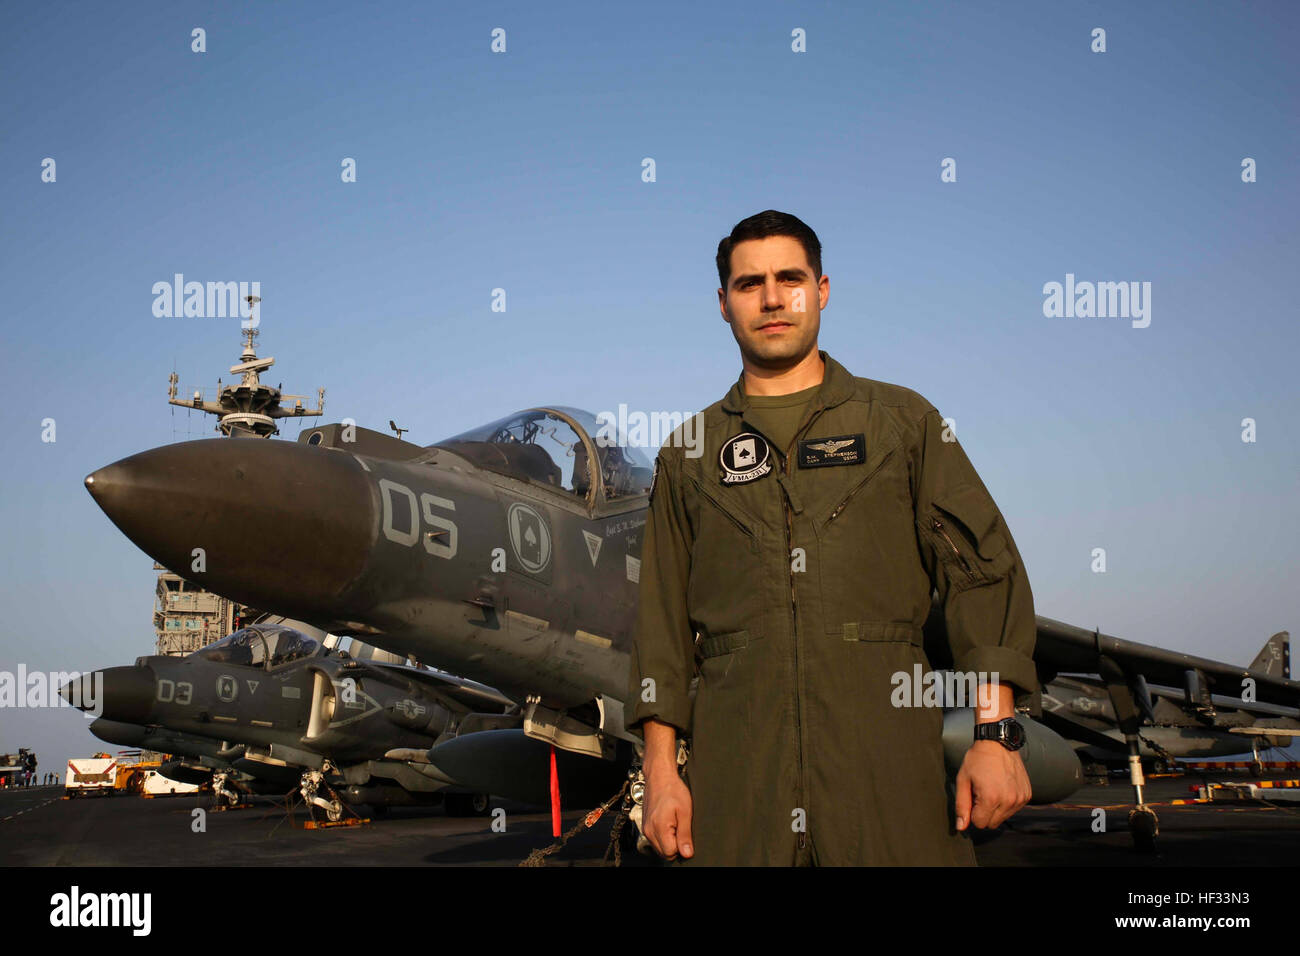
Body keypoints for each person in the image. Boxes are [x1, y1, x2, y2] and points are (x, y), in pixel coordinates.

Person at [627, 210, 1038, 865]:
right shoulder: (690, 452)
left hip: (889, 784)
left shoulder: (905, 424)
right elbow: (662, 626)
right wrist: (661, 772)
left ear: (821, 289)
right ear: (724, 304)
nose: (771, 298)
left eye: (790, 278)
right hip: (738, 795)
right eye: (748, 283)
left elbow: (982, 573)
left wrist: (995, 733)